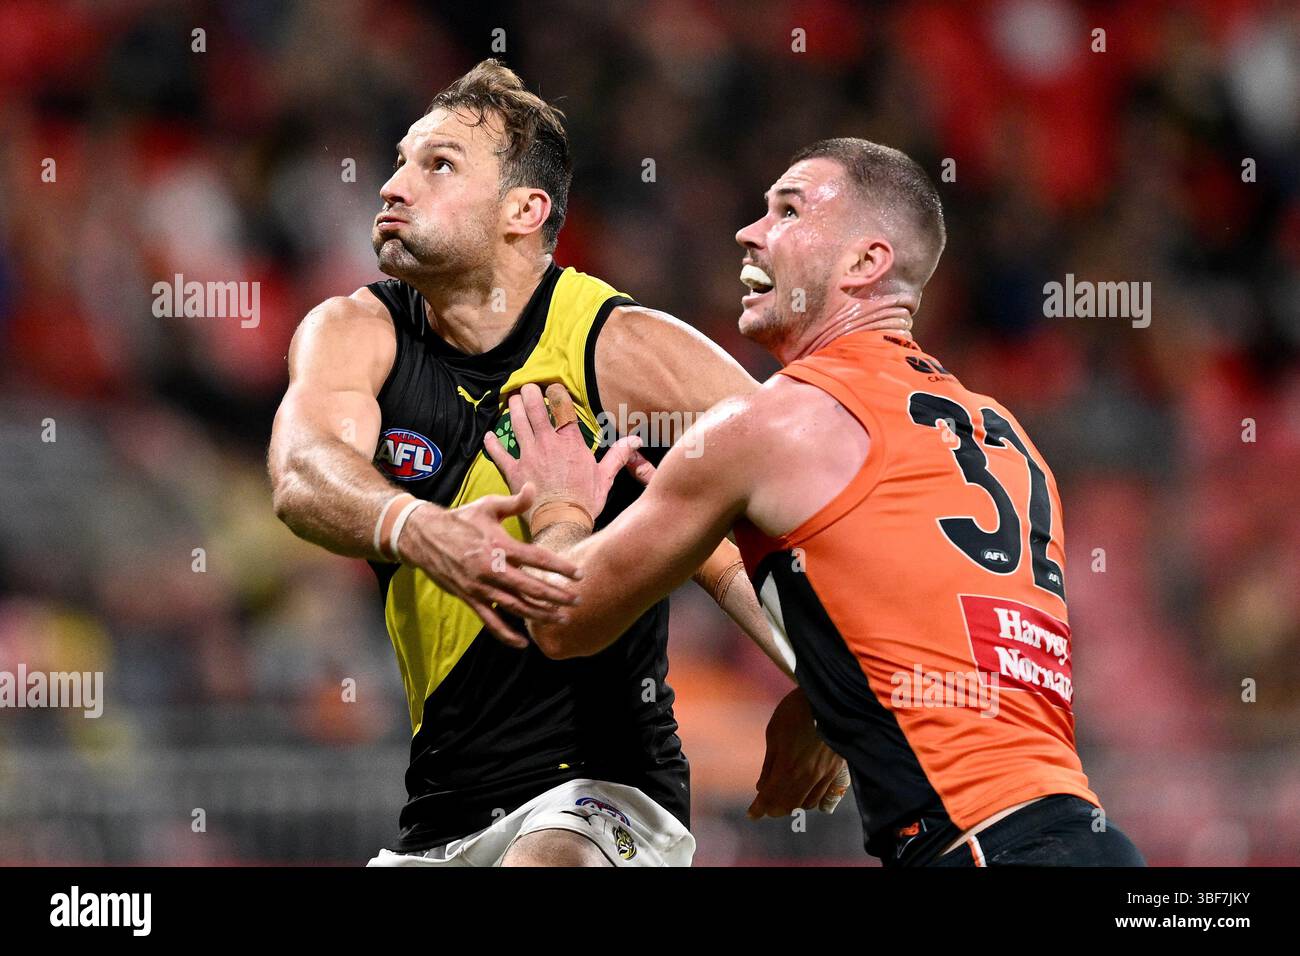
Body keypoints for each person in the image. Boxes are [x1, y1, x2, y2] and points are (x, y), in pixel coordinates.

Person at [268, 61, 876, 867]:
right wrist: (418, 527)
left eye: (438, 165)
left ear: (525, 210)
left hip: (603, 795)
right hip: (439, 811)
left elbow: (824, 493)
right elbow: (301, 471)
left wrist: (832, 690)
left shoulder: (619, 348)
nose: (392, 185)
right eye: (401, 160)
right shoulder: (356, 331)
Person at [487, 138, 1146, 866]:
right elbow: (916, 616)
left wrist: (558, 505)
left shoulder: (774, 423)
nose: (749, 230)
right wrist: (825, 705)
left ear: (866, 263)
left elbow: (565, 620)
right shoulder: (1005, 434)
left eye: (788, 210)